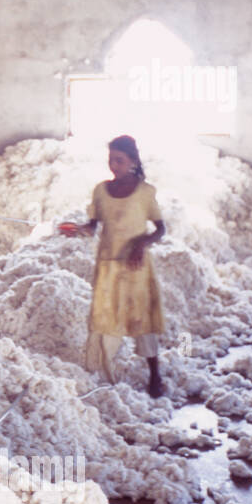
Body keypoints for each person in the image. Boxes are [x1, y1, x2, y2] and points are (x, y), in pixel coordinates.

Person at [63, 135, 167, 397]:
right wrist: (78, 229)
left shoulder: (145, 193)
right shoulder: (101, 191)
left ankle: (155, 375)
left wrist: (142, 244)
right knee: (105, 319)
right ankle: (101, 378)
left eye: (119, 161)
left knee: (142, 321)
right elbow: (93, 226)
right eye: (111, 160)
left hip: (136, 267)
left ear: (132, 161)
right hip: (108, 266)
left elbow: (160, 229)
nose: (114, 166)